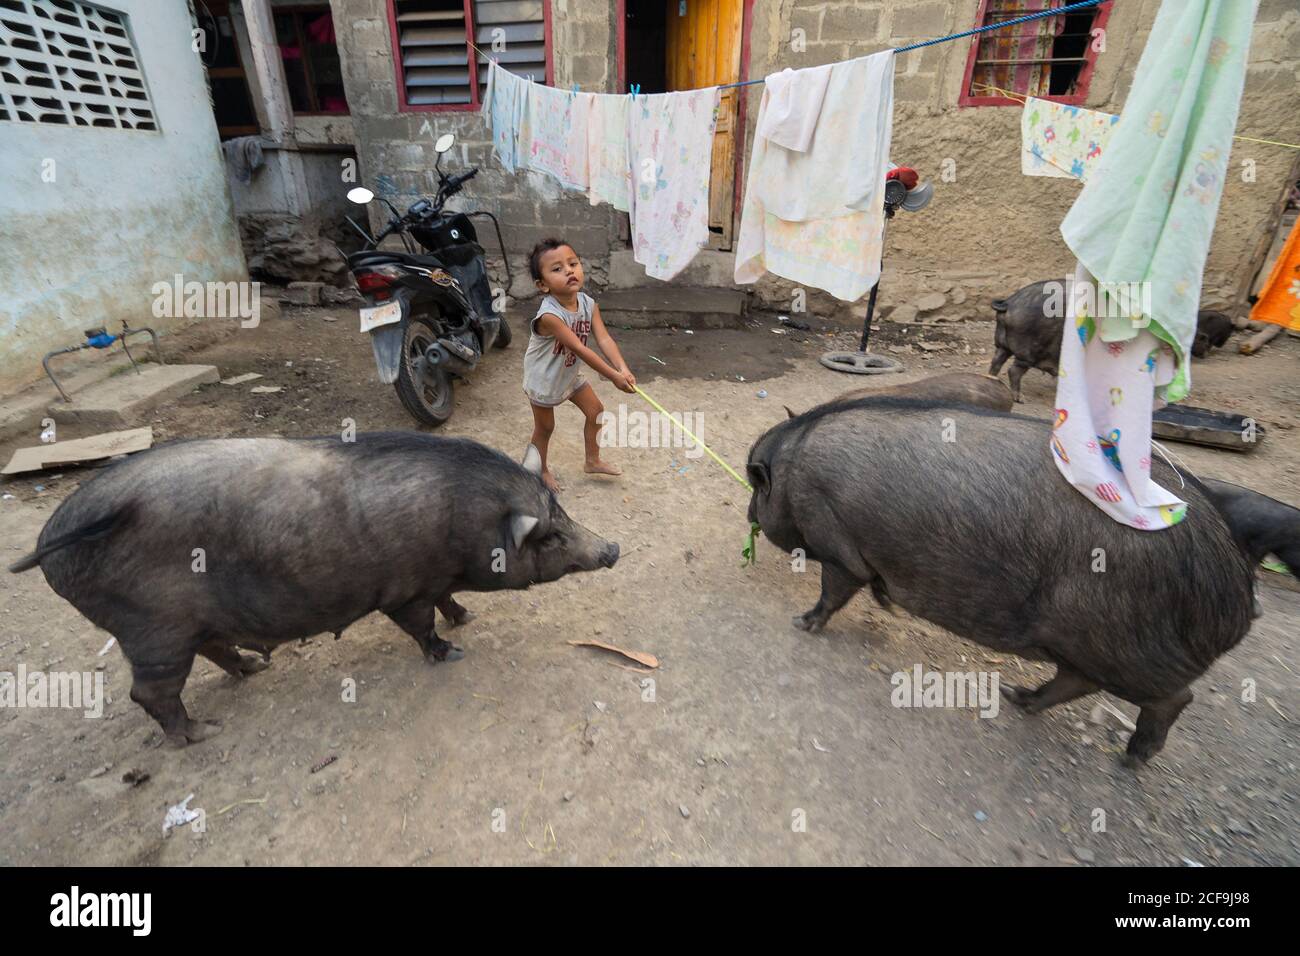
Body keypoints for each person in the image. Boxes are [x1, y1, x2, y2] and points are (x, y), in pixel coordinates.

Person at [522, 238, 636, 492]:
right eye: (557, 269)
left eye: (573, 263)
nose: (569, 271)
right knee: (545, 427)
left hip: (568, 371)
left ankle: (592, 460)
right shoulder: (550, 316)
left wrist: (623, 368)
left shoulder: (588, 304)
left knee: (596, 411)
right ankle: (539, 470)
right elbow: (580, 348)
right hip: (544, 378)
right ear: (542, 285)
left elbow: (604, 338)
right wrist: (613, 377)